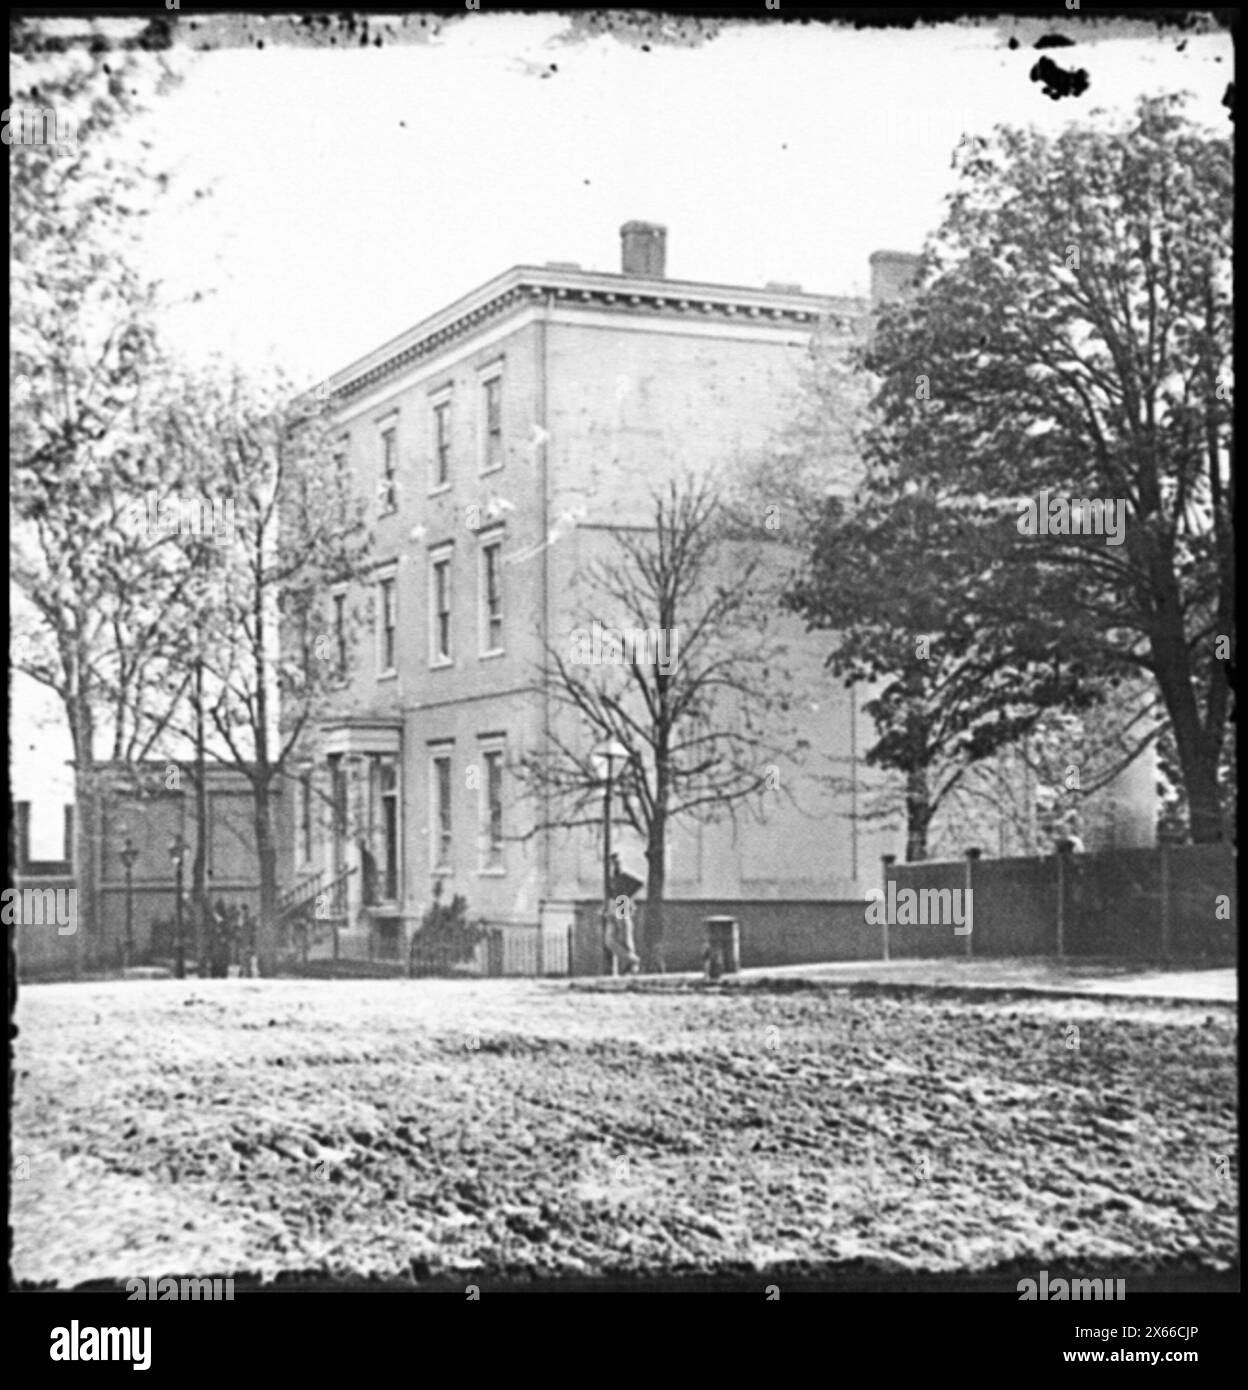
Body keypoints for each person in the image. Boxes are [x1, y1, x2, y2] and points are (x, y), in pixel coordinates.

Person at [607, 853, 643, 975]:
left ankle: (631, 964)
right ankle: (631, 960)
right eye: (613, 863)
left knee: (625, 937)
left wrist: (628, 897)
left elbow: (640, 883)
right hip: (615, 904)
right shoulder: (612, 878)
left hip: (622, 902)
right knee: (610, 940)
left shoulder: (624, 876)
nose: (615, 865)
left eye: (617, 862)